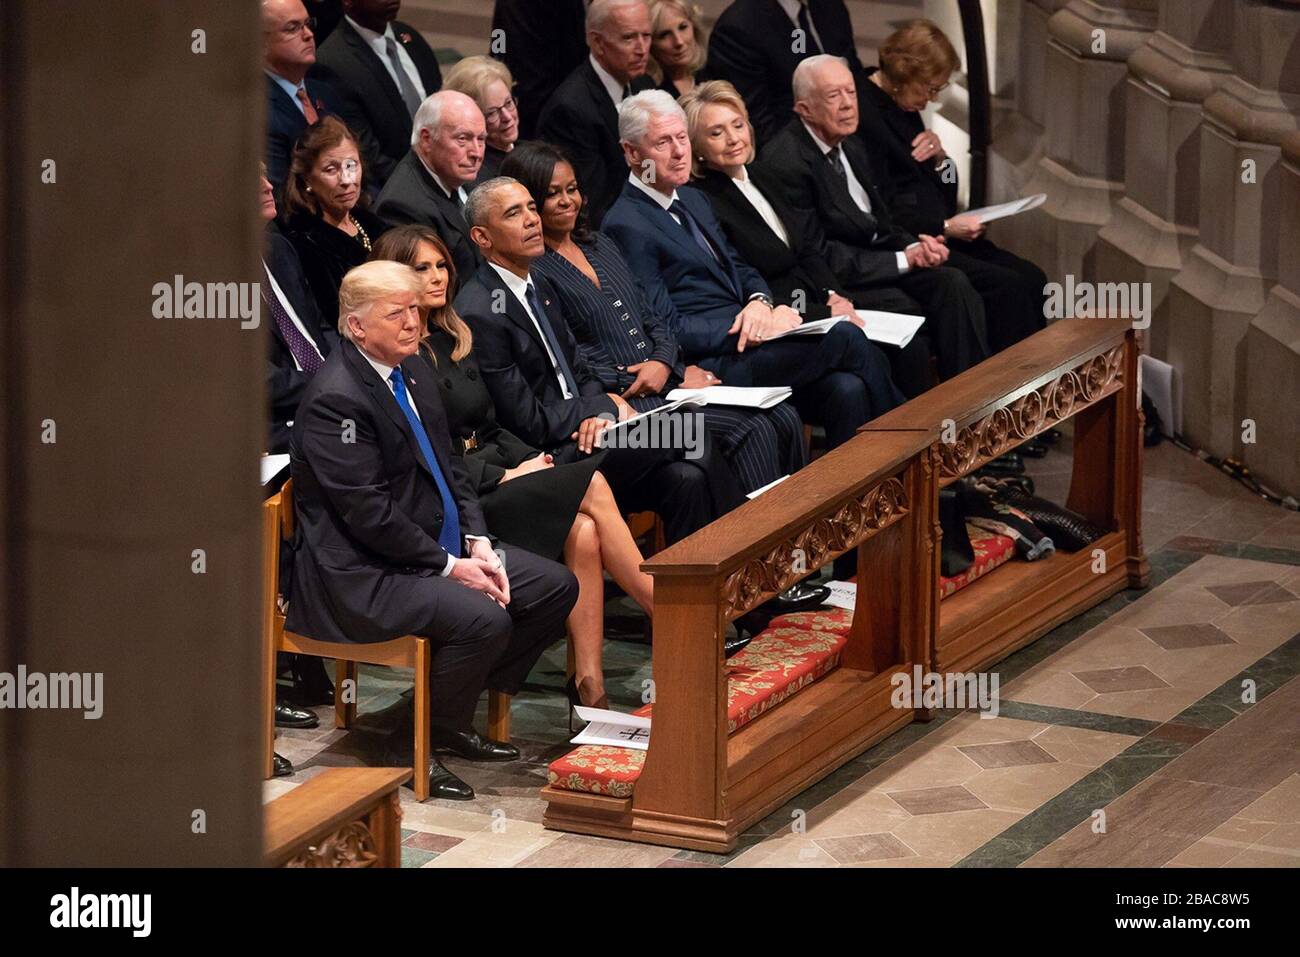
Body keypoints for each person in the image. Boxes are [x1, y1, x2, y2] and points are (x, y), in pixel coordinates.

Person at [286, 260, 578, 800]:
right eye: (396, 314)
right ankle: (409, 739)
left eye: (416, 311)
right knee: (483, 618)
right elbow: (368, 515)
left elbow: (450, 466)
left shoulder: (414, 369)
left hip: (430, 549)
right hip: (361, 573)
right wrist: (450, 567)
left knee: (554, 586)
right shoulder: (335, 400)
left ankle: (436, 718)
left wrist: (478, 539)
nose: (413, 324)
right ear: (356, 327)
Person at [371, 225, 654, 712]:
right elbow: (431, 457)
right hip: (462, 501)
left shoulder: (454, 334)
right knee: (595, 481)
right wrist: (505, 477)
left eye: (441, 265)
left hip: (497, 472)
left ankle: (589, 685)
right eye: (422, 268)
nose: (437, 276)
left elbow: (489, 423)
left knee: (585, 533)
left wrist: (525, 458)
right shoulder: (403, 355)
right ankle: (666, 610)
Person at [453, 177, 749, 550]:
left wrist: (597, 413)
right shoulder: (481, 311)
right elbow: (525, 420)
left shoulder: (538, 284)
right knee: (690, 432)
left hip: (591, 432)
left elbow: (578, 370)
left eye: (531, 207)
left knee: (684, 477)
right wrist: (600, 406)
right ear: (482, 238)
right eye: (514, 213)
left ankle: (695, 602)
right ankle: (753, 562)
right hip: (551, 454)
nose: (532, 219)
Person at [602, 91, 903, 450]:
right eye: (663, 142)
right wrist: (750, 330)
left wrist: (760, 302)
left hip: (749, 340)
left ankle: (858, 496)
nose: (679, 151)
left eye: (682, 137)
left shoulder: (693, 198)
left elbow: (740, 266)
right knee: (845, 336)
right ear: (632, 153)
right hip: (714, 358)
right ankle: (910, 444)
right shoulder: (627, 224)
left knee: (846, 388)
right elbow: (667, 327)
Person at [505, 141, 806, 491]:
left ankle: (804, 535)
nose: (566, 200)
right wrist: (631, 379)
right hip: (625, 401)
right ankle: (762, 542)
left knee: (784, 415)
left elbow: (653, 317)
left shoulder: (600, 244)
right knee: (750, 428)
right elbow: (571, 357)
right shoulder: (536, 271)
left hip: (666, 384)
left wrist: (664, 362)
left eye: (571, 189)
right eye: (551, 194)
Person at [682, 80, 983, 396]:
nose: (733, 139)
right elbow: (750, 279)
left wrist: (834, 294)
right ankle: (914, 440)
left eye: (738, 125)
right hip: (784, 316)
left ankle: (949, 424)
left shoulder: (761, 175)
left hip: (818, 297)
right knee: (897, 355)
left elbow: (808, 248)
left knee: (916, 341)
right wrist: (823, 312)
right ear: (697, 148)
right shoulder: (704, 201)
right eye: (716, 133)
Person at [759, 55, 1041, 363]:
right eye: (832, 96)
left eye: (851, 92)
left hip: (884, 253)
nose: (847, 104)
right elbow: (818, 254)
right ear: (804, 109)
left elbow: (883, 217)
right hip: (844, 279)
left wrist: (916, 246)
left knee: (967, 280)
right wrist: (903, 259)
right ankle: (966, 400)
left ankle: (994, 389)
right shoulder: (786, 162)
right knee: (953, 285)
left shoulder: (849, 142)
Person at [861, 19, 1047, 352]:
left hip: (943, 232)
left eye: (938, 90)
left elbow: (943, 188)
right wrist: (945, 227)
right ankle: (1011, 388)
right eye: (929, 88)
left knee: (1033, 277)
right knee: (1008, 286)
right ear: (904, 72)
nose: (931, 100)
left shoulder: (904, 104)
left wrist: (942, 159)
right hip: (913, 241)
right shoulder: (866, 113)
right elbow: (882, 207)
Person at [258, 164, 340, 749]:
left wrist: (342, 372)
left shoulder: (277, 247)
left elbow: (315, 331)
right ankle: (274, 665)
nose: (267, 185)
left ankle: (316, 640)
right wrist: (327, 392)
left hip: (304, 406)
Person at [536, 0, 656, 227]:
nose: (642, 49)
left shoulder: (644, 83)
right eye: (629, 38)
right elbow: (592, 204)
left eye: (647, 35)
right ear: (598, 42)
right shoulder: (570, 110)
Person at [313, 0, 444, 187]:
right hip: (398, 188)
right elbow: (365, 154)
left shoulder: (409, 37)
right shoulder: (332, 63)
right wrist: (426, 183)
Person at [706, 0, 863, 146]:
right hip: (797, 153)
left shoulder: (831, 6)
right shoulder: (739, 27)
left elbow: (855, 75)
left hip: (852, 143)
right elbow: (758, 123)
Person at [280, 117, 389, 323]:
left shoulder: (373, 223)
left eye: (351, 165)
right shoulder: (306, 244)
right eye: (331, 170)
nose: (347, 180)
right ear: (307, 180)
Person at [374, 91, 486, 282]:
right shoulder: (402, 206)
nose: (476, 152)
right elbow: (434, 290)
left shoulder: (465, 174)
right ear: (426, 139)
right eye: (463, 139)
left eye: (481, 139)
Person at [262, 0, 343, 193]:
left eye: (308, 24)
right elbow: (279, 196)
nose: (308, 35)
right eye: (292, 28)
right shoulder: (259, 109)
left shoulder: (327, 93)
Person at [490, 0, 588, 139]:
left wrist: (494, 62)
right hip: (548, 91)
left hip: (519, 87)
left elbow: (499, 33)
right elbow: (576, 47)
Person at [442, 56, 520, 182]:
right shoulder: (480, 176)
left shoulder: (526, 148)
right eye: (492, 113)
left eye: (508, 103)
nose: (507, 117)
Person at [647, 1, 709, 98]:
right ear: (650, 44)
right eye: (664, 35)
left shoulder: (712, 76)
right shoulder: (648, 92)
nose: (679, 41)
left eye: (683, 27)